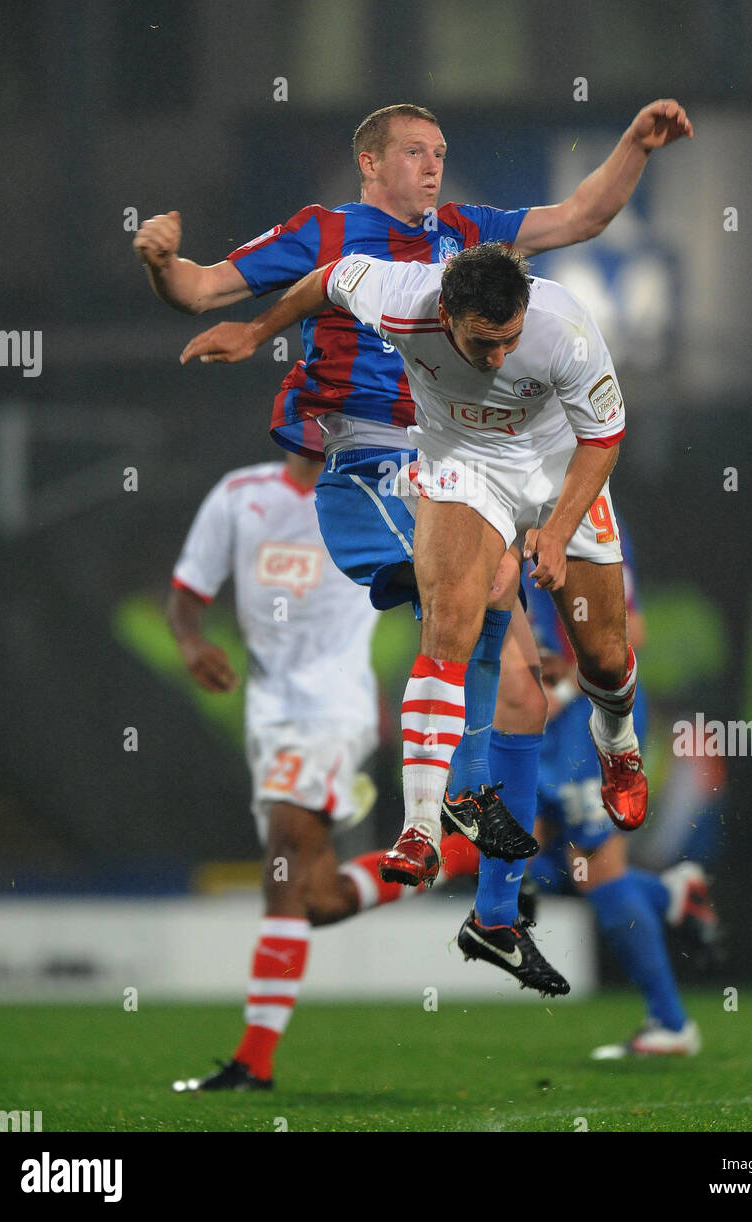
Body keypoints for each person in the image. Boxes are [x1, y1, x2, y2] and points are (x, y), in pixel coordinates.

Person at [136, 99, 692, 984]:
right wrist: (170, 270)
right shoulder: (338, 237)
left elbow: (584, 215)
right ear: (369, 164)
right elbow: (200, 287)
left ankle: (498, 913)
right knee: (471, 617)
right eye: (412, 153)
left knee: (536, 690)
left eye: (440, 152)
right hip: (392, 456)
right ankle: (442, 809)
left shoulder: (476, 245)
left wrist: (632, 144)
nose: (432, 168)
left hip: (523, 456)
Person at [167, 452, 480, 1091]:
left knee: (281, 864)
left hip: (335, 710)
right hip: (268, 716)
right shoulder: (239, 493)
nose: (320, 412)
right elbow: (186, 594)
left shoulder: (380, 485)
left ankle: (253, 1061)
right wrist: (191, 641)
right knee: (313, 900)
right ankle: (460, 853)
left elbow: (459, 556)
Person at [521, 528, 716, 1058]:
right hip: (544, 721)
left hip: (589, 713)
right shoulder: (510, 509)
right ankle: (668, 895)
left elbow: (632, 629)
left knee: (594, 864)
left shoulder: (582, 518)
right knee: (524, 851)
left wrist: (559, 691)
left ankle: (671, 1023)